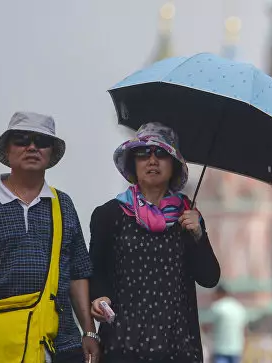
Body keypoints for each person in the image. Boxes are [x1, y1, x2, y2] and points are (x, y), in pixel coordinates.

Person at [0, 112, 99, 363]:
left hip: (59, 341)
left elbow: (77, 273)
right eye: (22, 140)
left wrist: (89, 331)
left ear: (51, 152)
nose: (32, 147)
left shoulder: (63, 204)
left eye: (41, 141)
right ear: (7, 150)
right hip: (1, 340)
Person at [89, 122, 221, 363]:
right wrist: (99, 298)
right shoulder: (109, 215)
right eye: (143, 154)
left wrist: (198, 234)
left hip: (177, 347)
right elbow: (95, 271)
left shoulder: (187, 217)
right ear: (133, 163)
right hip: (122, 345)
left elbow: (209, 277)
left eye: (162, 153)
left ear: (174, 165)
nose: (152, 160)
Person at [210, 286, 248, 363]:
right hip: (237, 349)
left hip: (220, 348)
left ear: (219, 294)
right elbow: (245, 330)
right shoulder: (239, 307)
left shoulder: (217, 306)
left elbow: (208, 326)